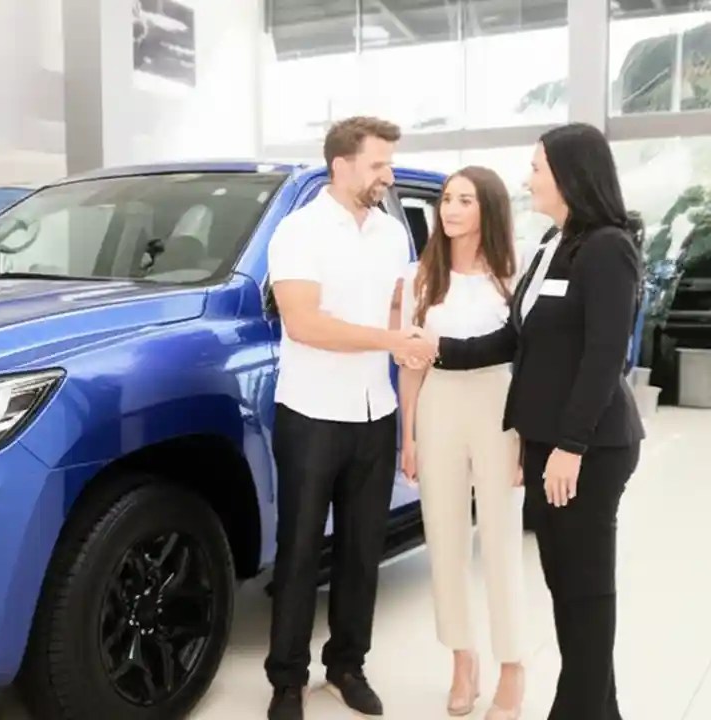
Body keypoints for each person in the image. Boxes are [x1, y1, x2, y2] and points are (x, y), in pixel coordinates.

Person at [406, 122, 646, 720]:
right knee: (567, 592)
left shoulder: (608, 247)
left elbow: (604, 355)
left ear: (569, 175)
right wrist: (443, 351)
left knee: (585, 592)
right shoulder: (550, 246)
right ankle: (600, 709)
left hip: (586, 447)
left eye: (536, 168)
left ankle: (577, 710)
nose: (527, 178)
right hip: (547, 444)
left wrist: (570, 445)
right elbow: (517, 338)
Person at [265, 115, 436, 720]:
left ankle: (347, 666)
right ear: (341, 165)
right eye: (377, 165)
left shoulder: (392, 234)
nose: (387, 176)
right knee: (300, 550)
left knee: (364, 550)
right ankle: (287, 680)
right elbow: (303, 324)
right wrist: (391, 339)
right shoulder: (298, 231)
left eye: (388, 165)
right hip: (311, 413)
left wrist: (415, 331)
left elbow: (400, 305)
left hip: (375, 412)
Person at [397, 166, 527, 719]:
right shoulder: (421, 277)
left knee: (500, 541)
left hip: (500, 405)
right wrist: (409, 434)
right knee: (444, 538)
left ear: (488, 209)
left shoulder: (514, 275)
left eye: (464, 200)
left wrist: (528, 434)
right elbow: (410, 363)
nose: (450, 209)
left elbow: (529, 358)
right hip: (439, 404)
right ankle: (462, 659)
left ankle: (513, 666)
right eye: (447, 199)